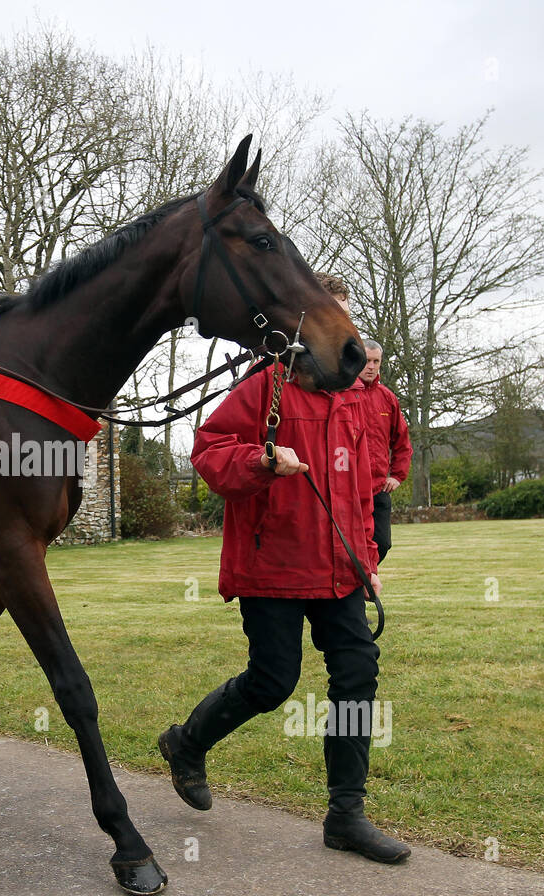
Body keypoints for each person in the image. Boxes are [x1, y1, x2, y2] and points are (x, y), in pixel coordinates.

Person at [157, 273, 410, 863]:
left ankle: (346, 814)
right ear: (304, 324)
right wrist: (264, 458)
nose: (340, 331)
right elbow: (210, 453)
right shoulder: (265, 389)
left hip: (341, 572)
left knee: (356, 677)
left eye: (346, 318)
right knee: (274, 683)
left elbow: (364, 491)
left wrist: (367, 561)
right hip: (272, 568)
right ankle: (186, 743)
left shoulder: (357, 403)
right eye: (329, 317)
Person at [357, 338, 412, 561]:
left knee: (382, 543)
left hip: (379, 487)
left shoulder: (388, 398)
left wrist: (398, 476)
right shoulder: (342, 394)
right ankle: (354, 591)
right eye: (367, 361)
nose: (371, 366)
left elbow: (402, 441)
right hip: (351, 487)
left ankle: (364, 582)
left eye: (376, 361)